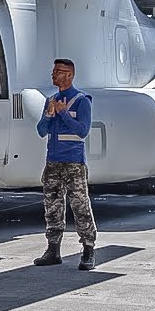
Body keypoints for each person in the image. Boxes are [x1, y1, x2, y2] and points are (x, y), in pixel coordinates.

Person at [33, 59, 98, 271]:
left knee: (80, 206)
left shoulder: (81, 101)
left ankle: (88, 249)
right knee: (52, 207)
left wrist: (62, 113)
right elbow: (42, 131)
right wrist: (50, 115)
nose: (53, 75)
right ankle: (53, 250)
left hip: (73, 163)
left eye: (58, 72)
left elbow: (82, 131)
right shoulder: (51, 99)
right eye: (53, 71)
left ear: (69, 75)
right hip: (53, 162)